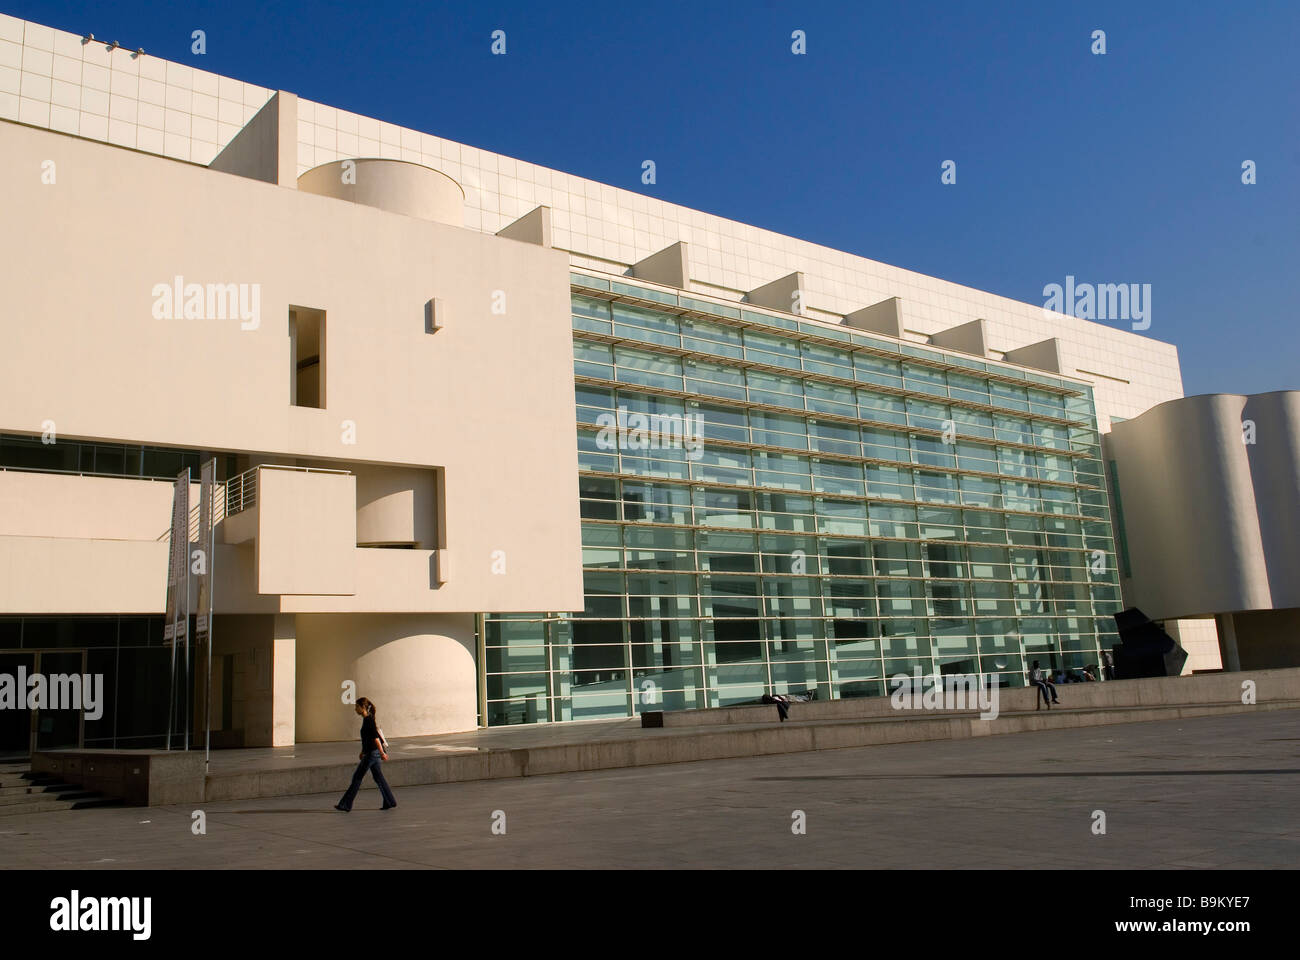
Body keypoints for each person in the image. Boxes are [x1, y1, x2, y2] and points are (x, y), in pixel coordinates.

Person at [335, 696, 397, 812]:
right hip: (371, 753)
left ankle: (345, 804)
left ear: (363, 707)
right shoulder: (368, 719)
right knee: (379, 778)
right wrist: (362, 751)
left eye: (357, 707)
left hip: (372, 754)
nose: (355, 709)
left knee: (357, 777)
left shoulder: (369, 720)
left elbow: (375, 738)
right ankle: (390, 801)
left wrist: (382, 753)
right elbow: (368, 738)